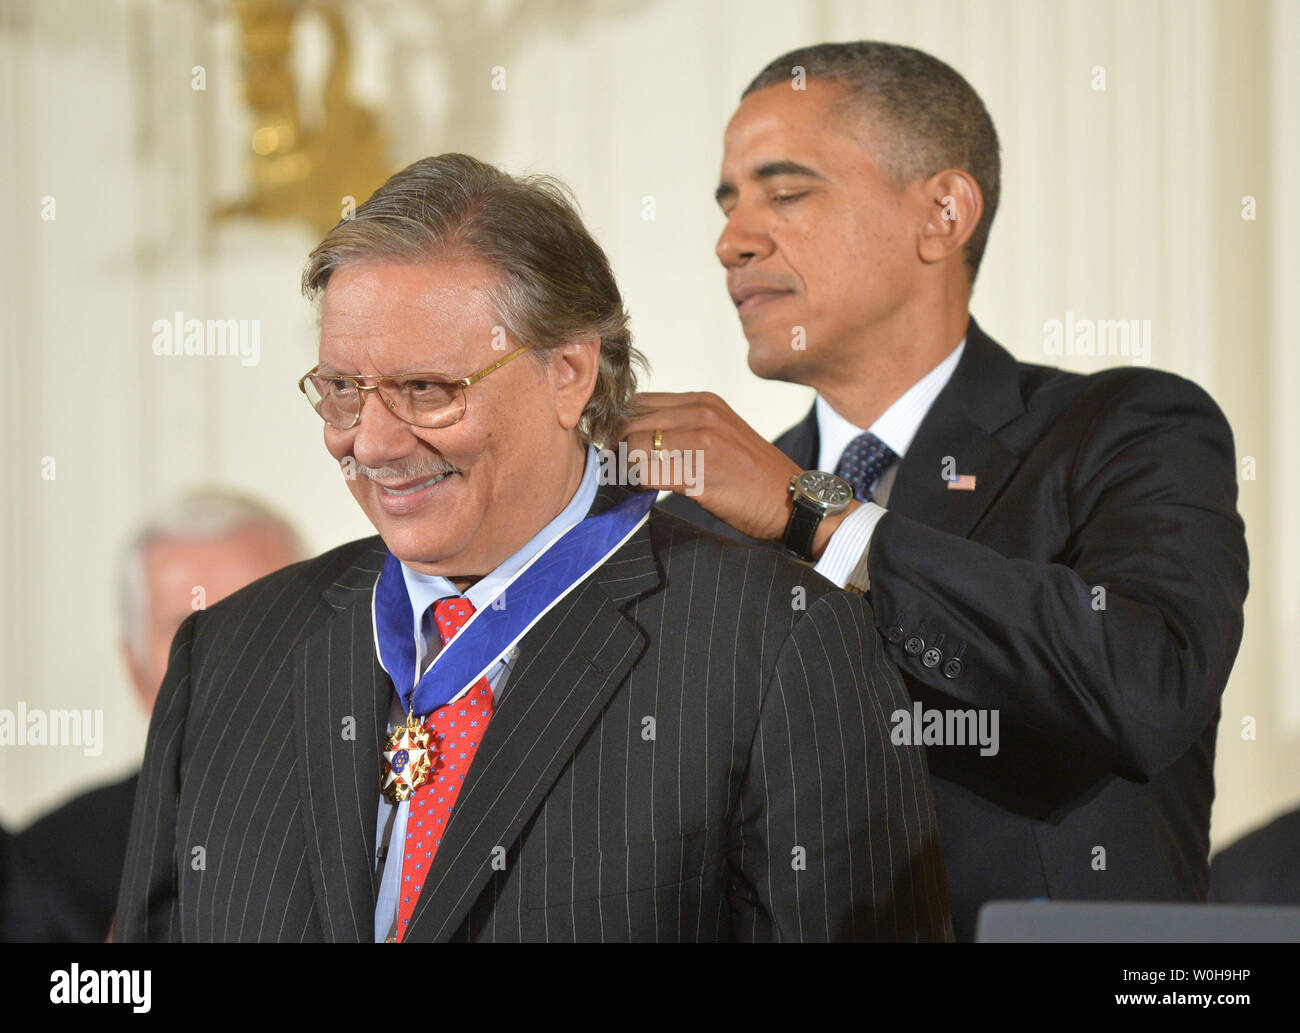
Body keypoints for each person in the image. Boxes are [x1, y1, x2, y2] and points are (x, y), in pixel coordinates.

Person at [115, 153, 952, 943]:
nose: (369, 443)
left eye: (424, 390)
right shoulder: (224, 655)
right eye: (341, 391)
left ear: (569, 373)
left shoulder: (775, 642)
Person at [628, 41, 1250, 941]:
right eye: (729, 203)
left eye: (786, 192)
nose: (734, 239)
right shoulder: (697, 514)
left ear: (943, 213)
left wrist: (821, 515)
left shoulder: (1130, 426)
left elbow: (1144, 683)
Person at [0, 491, 303, 943]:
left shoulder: (401, 815)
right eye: (190, 631)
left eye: (264, 617)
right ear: (137, 673)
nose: (235, 659)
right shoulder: (49, 870)